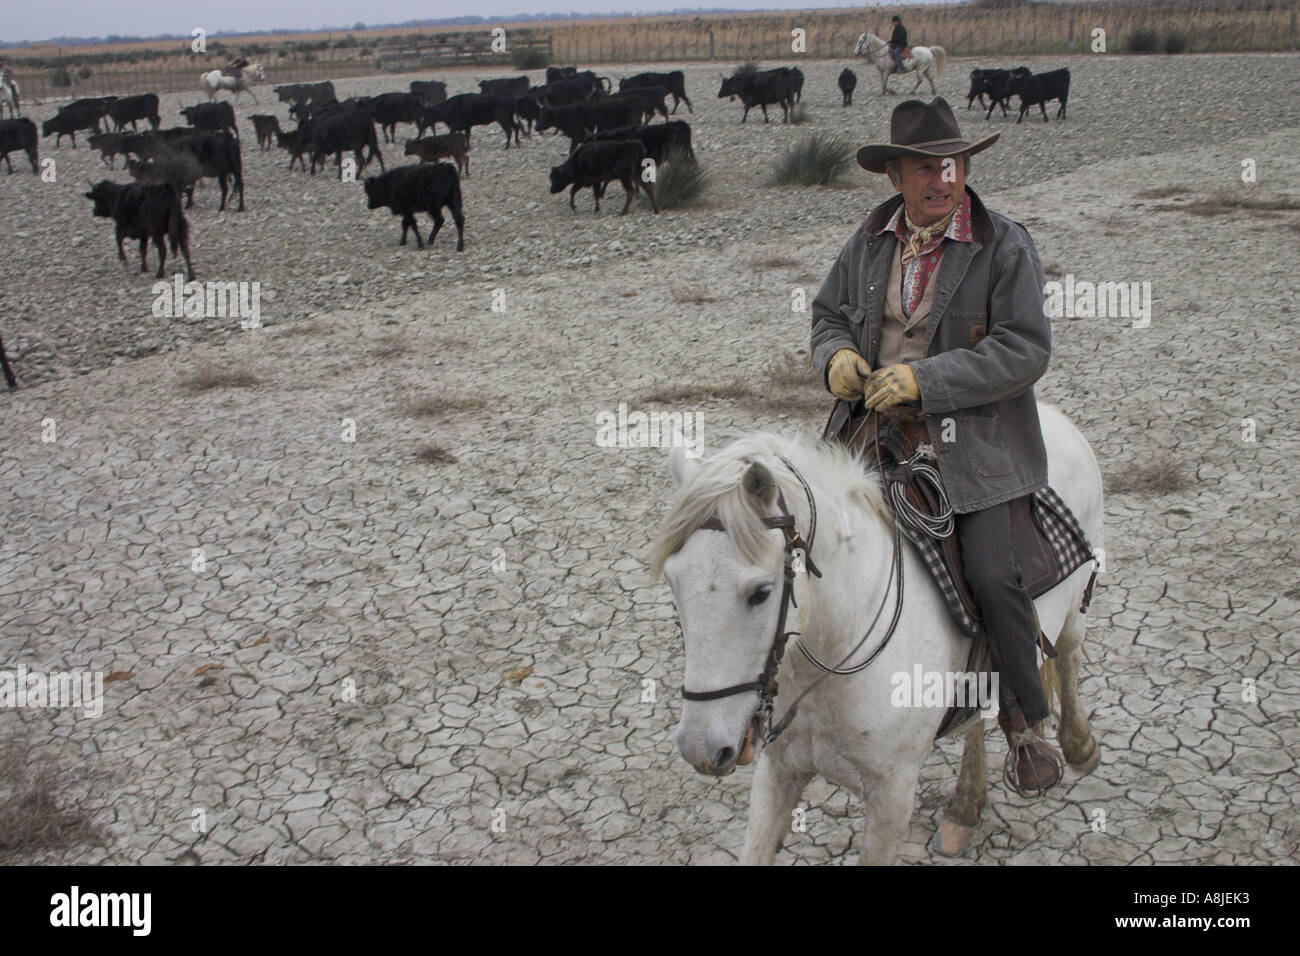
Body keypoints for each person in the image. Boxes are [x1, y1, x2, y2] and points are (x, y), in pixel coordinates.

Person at [810, 97, 1064, 795]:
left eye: (953, 165)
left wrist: (925, 380)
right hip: (869, 434)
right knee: (802, 545)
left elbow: (1025, 349)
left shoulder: (1004, 244)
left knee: (990, 571)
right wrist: (834, 357)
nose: (943, 179)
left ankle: (1024, 724)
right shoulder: (867, 244)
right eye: (926, 168)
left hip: (974, 445)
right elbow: (828, 314)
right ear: (895, 176)